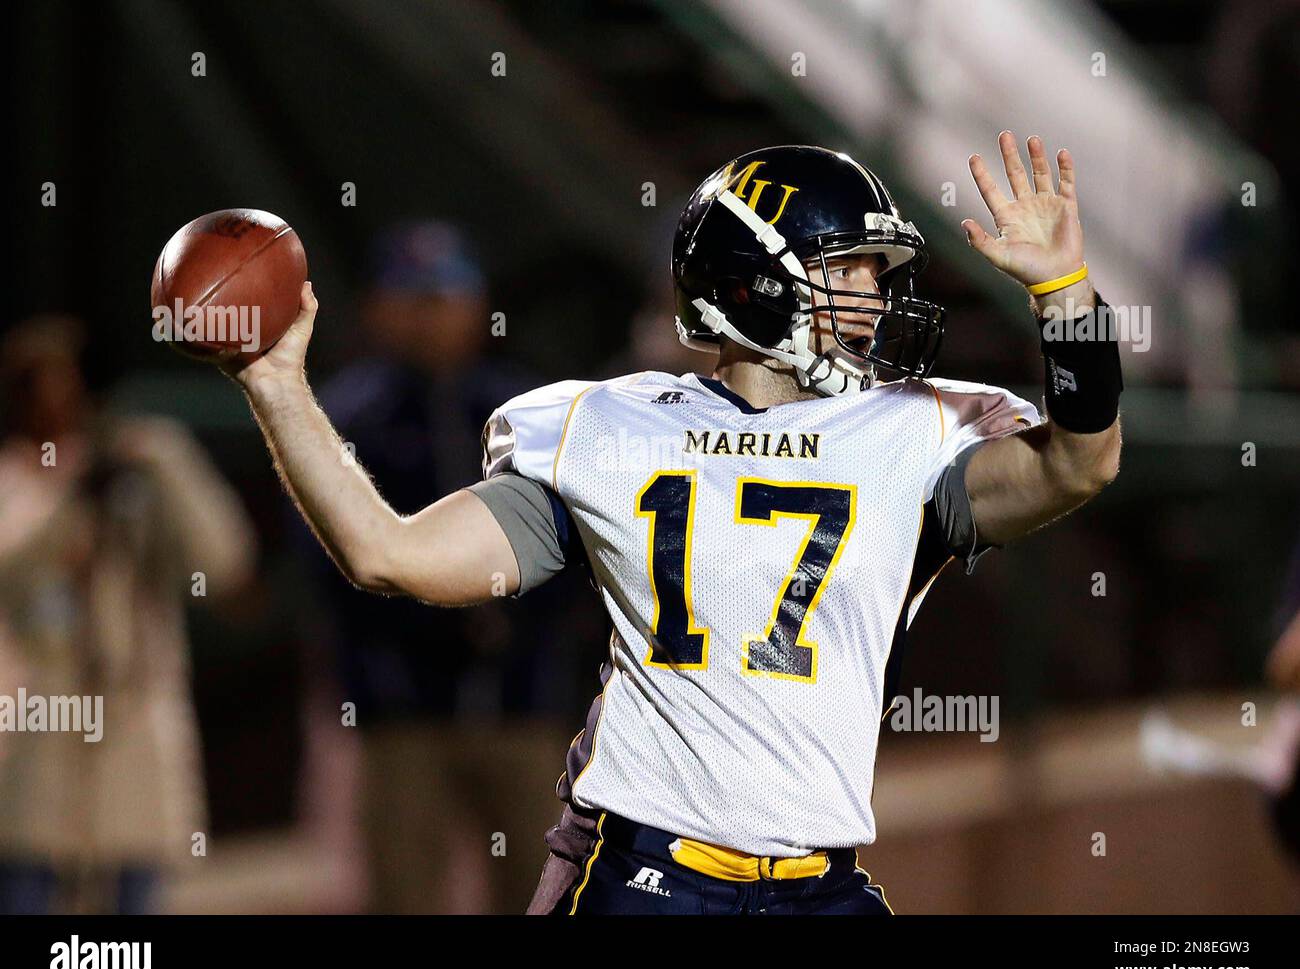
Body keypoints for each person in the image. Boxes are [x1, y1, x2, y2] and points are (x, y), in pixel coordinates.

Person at [224, 134, 1122, 914]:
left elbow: (1082, 460)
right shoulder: (609, 425)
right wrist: (277, 387)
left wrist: (1066, 297)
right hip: (642, 873)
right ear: (760, 281)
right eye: (849, 271)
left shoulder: (905, 431)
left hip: (819, 882)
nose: (876, 299)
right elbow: (389, 555)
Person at [298, 222, 583, 913]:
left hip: (523, 702)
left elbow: (582, 546)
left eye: (447, 296)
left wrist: (519, 629)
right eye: (415, 297)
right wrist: (439, 622)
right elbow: (325, 566)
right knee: (404, 895)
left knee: (545, 893)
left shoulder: (535, 408)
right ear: (378, 307)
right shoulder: (346, 414)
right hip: (404, 713)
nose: (433, 316)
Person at [0, 314, 255, 914]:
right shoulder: (11, 479)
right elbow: (10, 572)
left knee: (131, 917)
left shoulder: (139, 465)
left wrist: (165, 466)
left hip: (134, 714)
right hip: (36, 719)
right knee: (26, 885)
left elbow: (224, 561)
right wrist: (74, 504)